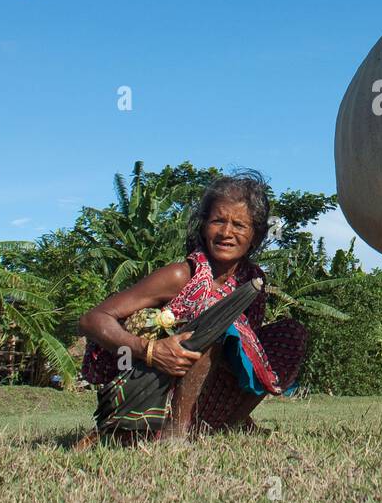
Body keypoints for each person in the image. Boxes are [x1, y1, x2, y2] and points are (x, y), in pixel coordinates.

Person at [79, 171, 308, 441]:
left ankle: (227, 423)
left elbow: (241, 353)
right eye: (218, 221)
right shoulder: (181, 275)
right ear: (203, 227)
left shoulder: (252, 282)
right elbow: (91, 319)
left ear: (255, 236)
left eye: (239, 225)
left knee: (291, 334)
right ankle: (172, 434)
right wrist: (151, 350)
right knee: (216, 322)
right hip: (155, 390)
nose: (226, 232)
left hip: (207, 391)